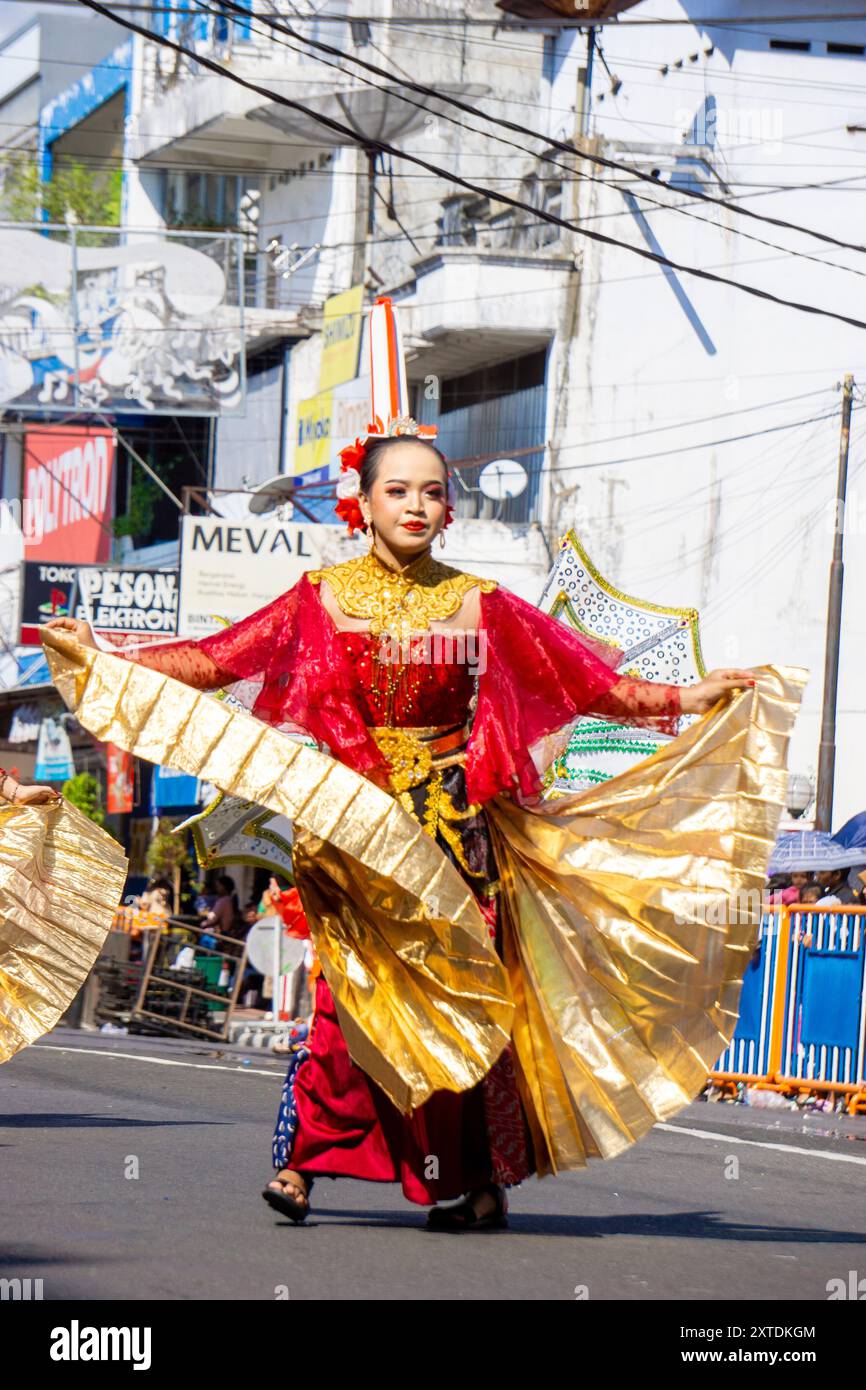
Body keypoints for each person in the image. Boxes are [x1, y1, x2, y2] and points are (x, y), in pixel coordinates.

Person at [45, 426, 766, 1232]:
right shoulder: (318, 598)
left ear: (448, 508)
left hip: (455, 838)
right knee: (342, 999)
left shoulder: (479, 604)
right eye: (398, 490)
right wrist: (107, 653)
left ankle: (481, 1182)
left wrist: (684, 698)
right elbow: (216, 661)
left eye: (431, 491)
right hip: (352, 835)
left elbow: (584, 682)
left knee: (464, 1000)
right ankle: (299, 1167)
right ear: (363, 503)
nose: (417, 504)